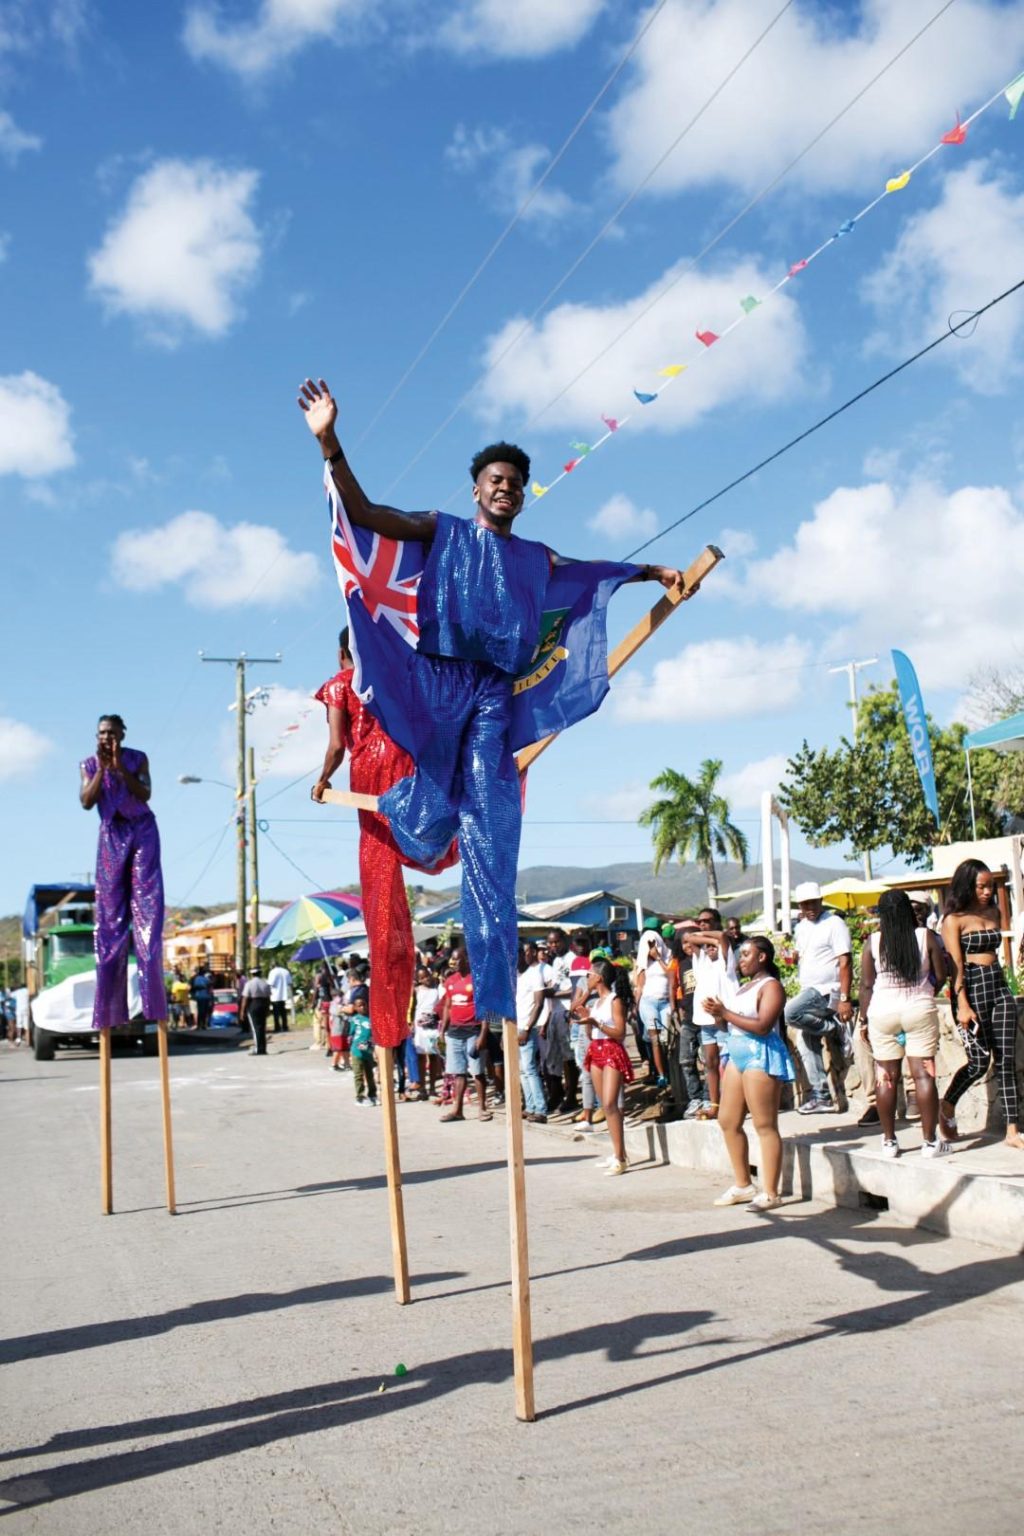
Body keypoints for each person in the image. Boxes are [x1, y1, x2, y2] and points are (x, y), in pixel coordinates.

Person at [300, 377, 684, 1031]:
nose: (503, 487)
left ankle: (494, 998)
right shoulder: (441, 530)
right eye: (493, 479)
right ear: (477, 488)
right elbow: (364, 515)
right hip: (436, 684)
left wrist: (652, 573)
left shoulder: (537, 557)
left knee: (492, 825)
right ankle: (407, 811)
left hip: (491, 698)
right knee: (424, 809)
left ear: (521, 495)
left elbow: (592, 572)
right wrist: (330, 441)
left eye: (513, 481)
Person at [312, 628, 458, 1051]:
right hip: (407, 764)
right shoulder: (397, 673)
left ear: (342, 653)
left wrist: (322, 781)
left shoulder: (341, 684)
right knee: (417, 835)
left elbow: (338, 744)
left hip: (369, 772)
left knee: (379, 872)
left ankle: (391, 1013)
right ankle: (452, 838)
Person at [79, 714, 167, 1030]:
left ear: (122, 735)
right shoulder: (89, 765)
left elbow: (144, 794)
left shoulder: (137, 759)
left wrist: (119, 766)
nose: (107, 738)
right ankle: (109, 1010)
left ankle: (153, 1003)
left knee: (146, 912)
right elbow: (87, 801)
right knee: (110, 917)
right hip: (112, 833)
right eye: (102, 733)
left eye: (112, 733)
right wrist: (103, 768)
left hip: (142, 829)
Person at [702, 936, 795, 1211]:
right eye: (740, 955)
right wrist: (717, 1015)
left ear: (762, 957)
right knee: (727, 1120)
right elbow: (729, 1026)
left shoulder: (772, 987)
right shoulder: (744, 989)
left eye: (745, 955)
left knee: (764, 1125)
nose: (741, 960)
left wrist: (725, 1013)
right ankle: (743, 1184)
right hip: (737, 1052)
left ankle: (770, 1192)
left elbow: (763, 1025)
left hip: (760, 1054)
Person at [858, 890, 950, 1158]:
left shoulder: (872, 943)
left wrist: (863, 1020)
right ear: (909, 910)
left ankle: (889, 1142)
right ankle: (930, 1142)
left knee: (886, 1077)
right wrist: (926, 991)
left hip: (882, 1013)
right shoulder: (925, 937)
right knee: (923, 1074)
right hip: (918, 1009)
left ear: (882, 914)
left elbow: (866, 986)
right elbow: (940, 975)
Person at [939, 859, 1023, 1151]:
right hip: (971, 988)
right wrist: (962, 1004)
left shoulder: (993, 912)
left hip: (998, 984)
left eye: (990, 886)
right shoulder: (954, 919)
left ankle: (1012, 1130)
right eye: (981, 886)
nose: (987, 891)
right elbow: (956, 967)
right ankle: (947, 1105)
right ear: (967, 886)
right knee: (978, 1063)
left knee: (1006, 1060)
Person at [783, 882, 853, 1114]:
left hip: (826, 990)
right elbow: (804, 954)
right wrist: (792, 958)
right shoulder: (802, 926)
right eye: (805, 904)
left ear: (820, 901)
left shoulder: (834, 923)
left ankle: (833, 1027)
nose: (810, 907)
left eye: (813, 902)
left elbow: (845, 962)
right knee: (805, 1040)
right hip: (809, 988)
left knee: (789, 1013)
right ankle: (821, 1096)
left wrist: (844, 998)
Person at [576, 958, 634, 1176]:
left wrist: (596, 1023)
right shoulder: (596, 1003)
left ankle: (620, 1158)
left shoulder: (614, 1000)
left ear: (598, 978)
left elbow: (619, 1033)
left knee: (610, 1104)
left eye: (590, 975)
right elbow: (591, 1033)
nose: (587, 978)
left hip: (611, 1050)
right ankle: (619, 1153)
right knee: (606, 1105)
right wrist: (587, 1020)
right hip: (596, 1049)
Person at [686, 908, 736, 1119]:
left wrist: (710, 939)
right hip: (706, 1021)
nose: (703, 924)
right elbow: (689, 940)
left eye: (708, 921)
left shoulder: (726, 958)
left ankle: (733, 1104)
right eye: (700, 921)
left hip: (725, 1019)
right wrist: (702, 940)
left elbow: (722, 938)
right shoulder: (702, 958)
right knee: (711, 1064)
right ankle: (715, 1105)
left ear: (717, 922)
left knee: (730, 1065)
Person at [437, 947, 489, 1123]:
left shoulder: (477, 979)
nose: (454, 963)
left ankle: (483, 1108)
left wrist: (483, 1034)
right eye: (452, 959)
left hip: (473, 1031)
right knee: (458, 1073)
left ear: (467, 959)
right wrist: (442, 1030)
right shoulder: (450, 980)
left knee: (477, 1072)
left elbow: (485, 1009)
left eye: (458, 959)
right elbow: (447, 1006)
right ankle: (457, 1110)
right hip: (454, 1032)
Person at [544, 928, 578, 1114]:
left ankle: (571, 1096)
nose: (553, 945)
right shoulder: (556, 961)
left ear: (564, 940)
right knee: (554, 1056)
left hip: (567, 1011)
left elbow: (574, 989)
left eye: (556, 942)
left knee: (569, 1057)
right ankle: (557, 1095)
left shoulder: (572, 959)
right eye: (550, 942)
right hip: (555, 1011)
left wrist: (553, 993)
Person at [633, 915, 670, 1088]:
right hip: (648, 1001)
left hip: (666, 1001)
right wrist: (635, 1006)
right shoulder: (642, 964)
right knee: (655, 1039)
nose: (651, 944)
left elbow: (671, 974)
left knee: (669, 1039)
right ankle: (661, 1075)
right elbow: (640, 986)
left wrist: (658, 957)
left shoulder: (667, 956)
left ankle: (670, 1071)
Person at [516, 944, 550, 1124]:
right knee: (522, 1070)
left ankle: (541, 1110)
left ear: (523, 954)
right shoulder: (515, 976)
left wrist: (527, 1028)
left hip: (527, 1029)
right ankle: (529, 1107)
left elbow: (539, 1003)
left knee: (530, 1069)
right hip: (515, 1028)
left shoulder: (534, 974)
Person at [412, 965, 442, 1098]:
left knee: (434, 1056)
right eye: (422, 978)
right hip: (419, 1027)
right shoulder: (416, 991)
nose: (426, 979)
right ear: (418, 979)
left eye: (427, 976)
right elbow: (411, 1008)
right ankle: (422, 1088)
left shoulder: (437, 990)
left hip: (433, 1026)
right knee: (420, 1057)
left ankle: (432, 1088)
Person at [241, 966, 272, 1056]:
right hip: (263, 1004)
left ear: (252, 974)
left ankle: (258, 1049)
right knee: (262, 1027)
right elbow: (268, 997)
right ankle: (263, 1048)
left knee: (255, 1028)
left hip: (253, 1004)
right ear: (260, 973)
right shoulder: (265, 983)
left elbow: (245, 998)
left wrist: (242, 1011)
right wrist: (268, 1008)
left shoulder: (249, 984)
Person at [349, 1009, 377, 1106]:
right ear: (356, 1008)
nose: (362, 1007)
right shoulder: (355, 1019)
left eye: (364, 1005)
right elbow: (351, 1034)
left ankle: (372, 1095)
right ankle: (360, 1097)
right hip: (357, 1051)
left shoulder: (371, 1018)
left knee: (370, 1074)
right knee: (358, 1074)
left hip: (368, 1051)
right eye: (359, 1005)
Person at [312, 962, 333, 1051]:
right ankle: (327, 1042)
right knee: (327, 1024)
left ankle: (318, 1042)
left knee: (317, 1022)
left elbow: (316, 990)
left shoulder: (319, 976)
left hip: (321, 1002)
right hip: (330, 1002)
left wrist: (313, 1002)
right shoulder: (331, 977)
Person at [267, 960, 292, 1033]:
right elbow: (290, 983)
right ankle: (285, 1026)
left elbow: (270, 983)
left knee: (276, 1013)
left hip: (275, 996)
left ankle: (277, 1027)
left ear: (273, 966)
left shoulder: (272, 972)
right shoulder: (285, 971)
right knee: (283, 1012)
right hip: (283, 995)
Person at [190, 963, 214, 1030]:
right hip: (205, 996)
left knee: (200, 1011)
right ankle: (203, 1025)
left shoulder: (196, 979)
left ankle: (199, 1025)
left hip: (199, 996)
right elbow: (210, 985)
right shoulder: (205, 979)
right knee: (205, 1011)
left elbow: (194, 987)